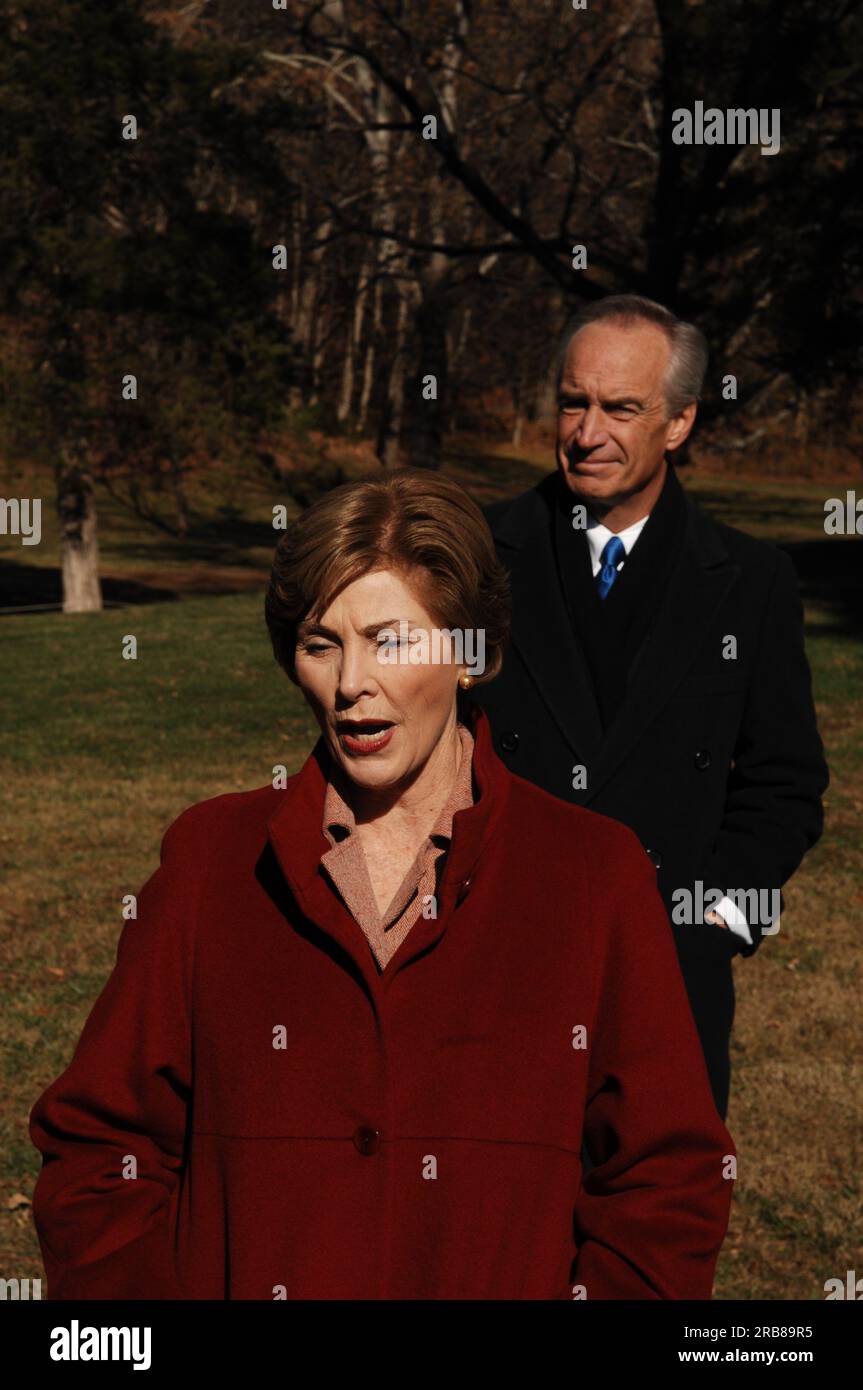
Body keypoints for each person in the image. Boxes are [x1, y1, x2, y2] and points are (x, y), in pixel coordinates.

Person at [30, 468, 734, 1300]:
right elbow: (100, 1151)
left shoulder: (592, 875)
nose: (349, 683)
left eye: (391, 640)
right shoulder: (211, 859)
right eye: (320, 643)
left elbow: (668, 1178)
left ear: (475, 654)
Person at [466, 294, 829, 1121]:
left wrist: (714, 924)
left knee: (654, 1232)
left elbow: (784, 784)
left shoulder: (750, 581)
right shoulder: (476, 556)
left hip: (666, 987)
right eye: (573, 402)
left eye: (621, 408)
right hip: (490, 972)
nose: (587, 432)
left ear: (678, 423)